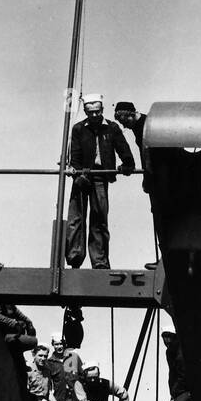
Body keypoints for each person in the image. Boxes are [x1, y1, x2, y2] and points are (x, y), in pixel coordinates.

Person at [67, 94, 134, 269]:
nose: (95, 115)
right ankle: (75, 257)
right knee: (76, 218)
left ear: (102, 110)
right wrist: (78, 175)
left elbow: (123, 149)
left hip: (100, 177)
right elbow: (74, 154)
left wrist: (127, 164)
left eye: (97, 112)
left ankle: (99, 261)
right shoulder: (78, 129)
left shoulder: (112, 128)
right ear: (86, 112)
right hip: (81, 177)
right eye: (91, 113)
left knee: (99, 219)